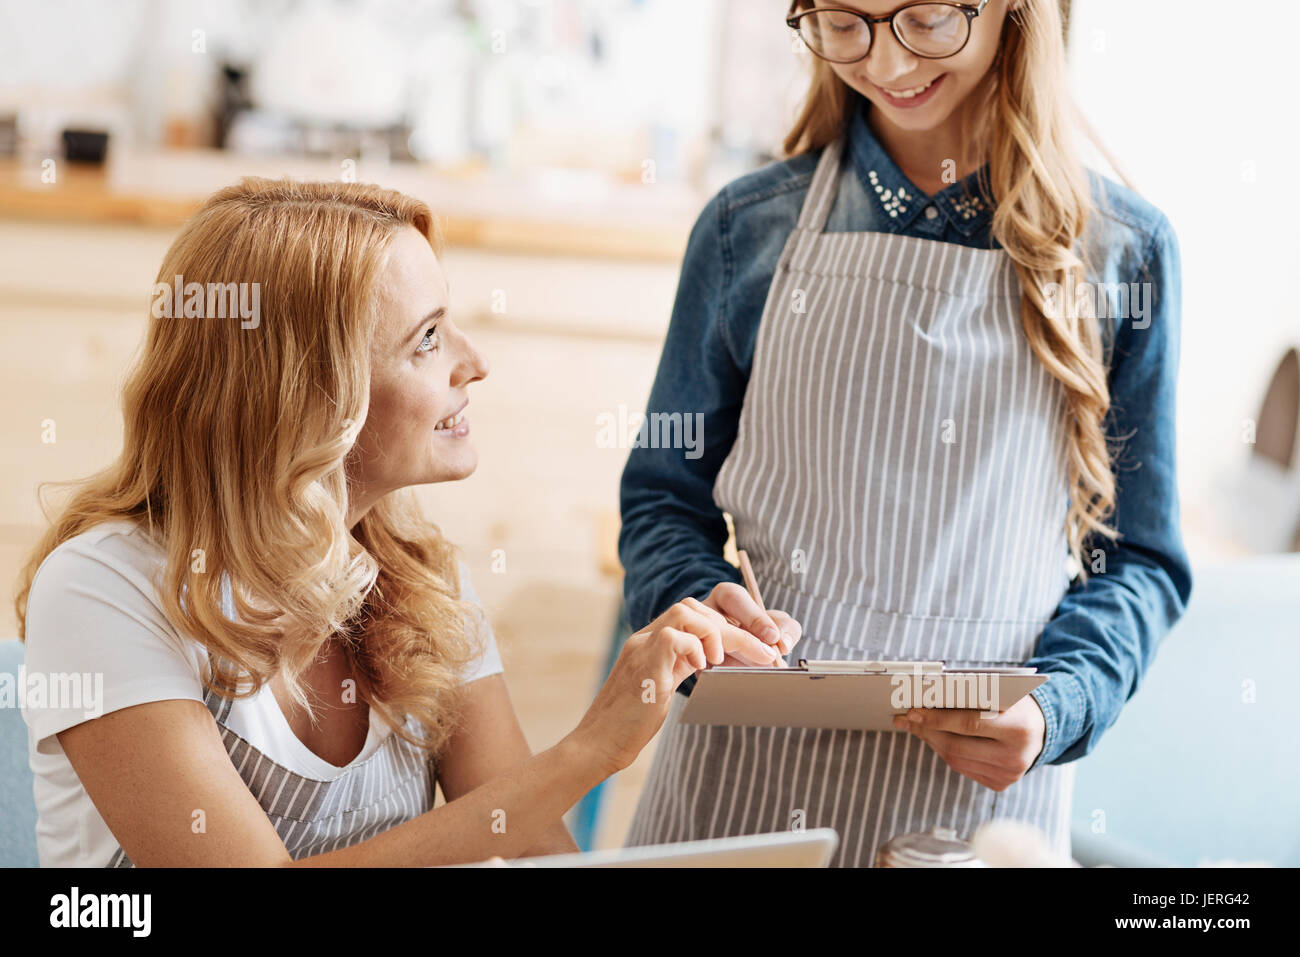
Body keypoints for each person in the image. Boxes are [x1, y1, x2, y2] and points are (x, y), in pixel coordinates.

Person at [14, 177, 800, 867]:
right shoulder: (102, 588)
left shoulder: (422, 581)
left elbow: (530, 850)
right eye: (426, 339)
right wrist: (590, 750)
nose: (473, 361)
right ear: (308, 396)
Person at [619, 0, 1191, 865]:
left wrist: (1058, 704)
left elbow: (1139, 559)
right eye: (846, 22)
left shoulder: (1126, 254)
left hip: (981, 805)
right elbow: (664, 497)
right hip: (743, 786)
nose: (886, 64)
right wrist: (702, 604)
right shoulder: (745, 233)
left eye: (925, 18)